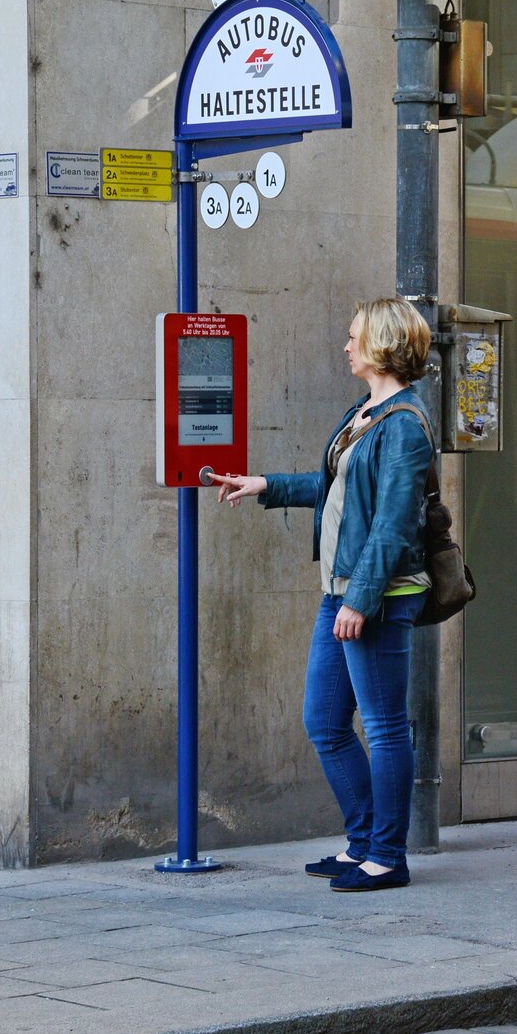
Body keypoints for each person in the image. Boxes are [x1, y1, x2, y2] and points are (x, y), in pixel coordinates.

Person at [211, 298, 436, 893]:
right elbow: (339, 487)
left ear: (384, 345)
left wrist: (360, 600)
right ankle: (363, 842)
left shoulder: (406, 426)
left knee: (385, 726)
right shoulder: (367, 413)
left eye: (354, 336)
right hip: (341, 589)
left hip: (378, 595)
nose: (346, 346)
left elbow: (393, 524)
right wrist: (265, 485)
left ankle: (387, 856)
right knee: (324, 721)